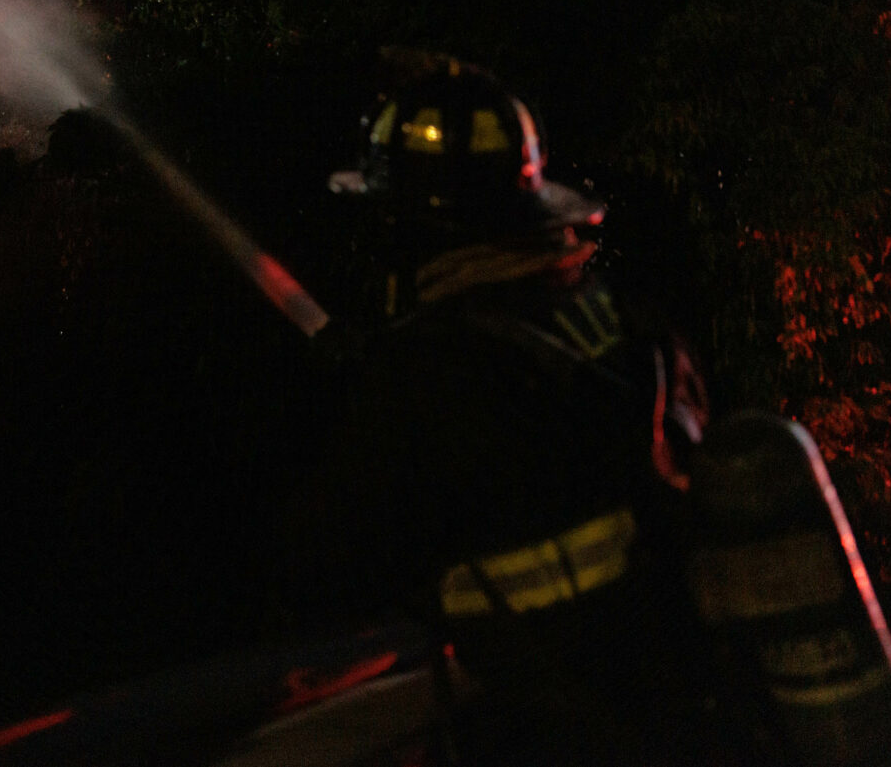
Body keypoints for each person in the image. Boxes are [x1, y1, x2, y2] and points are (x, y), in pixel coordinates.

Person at [308, 55, 746, 765]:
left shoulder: (422, 376)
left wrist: (369, 391)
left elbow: (334, 568)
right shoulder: (630, 320)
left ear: (415, 226)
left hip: (547, 732)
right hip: (696, 710)